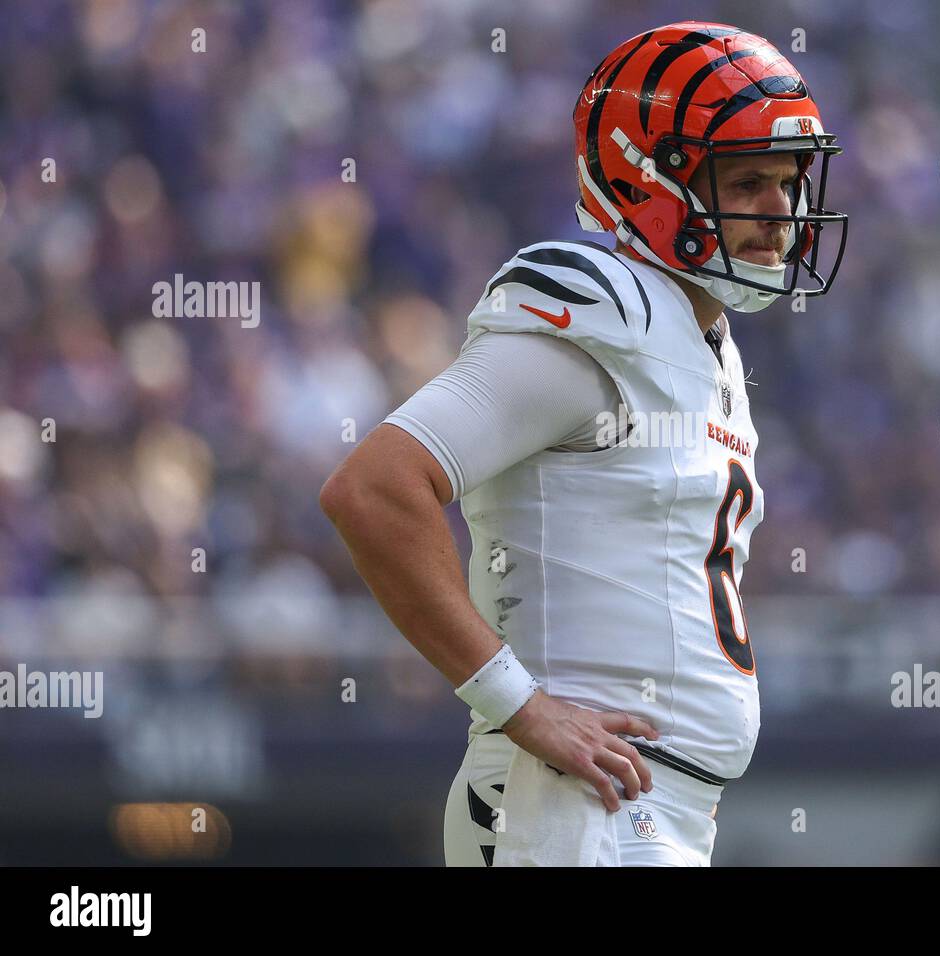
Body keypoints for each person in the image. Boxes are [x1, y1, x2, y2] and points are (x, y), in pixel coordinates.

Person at [320, 19, 847, 866]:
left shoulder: (699, 338)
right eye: (747, 182)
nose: (779, 214)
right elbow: (375, 488)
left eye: (787, 184)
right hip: (571, 804)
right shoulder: (604, 311)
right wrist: (521, 706)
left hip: (644, 804)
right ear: (648, 182)